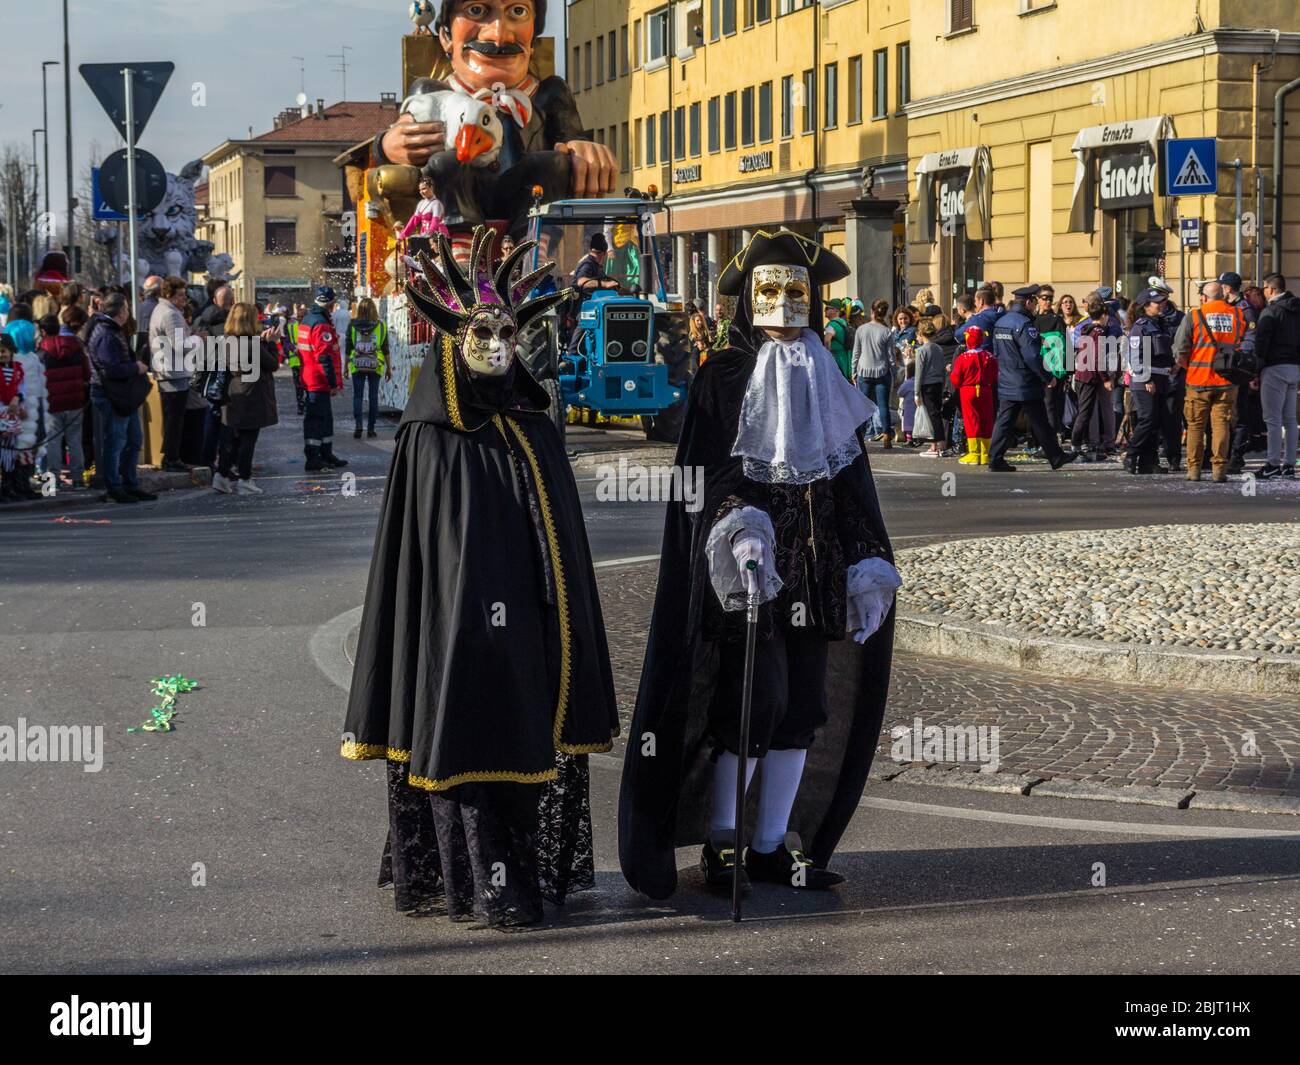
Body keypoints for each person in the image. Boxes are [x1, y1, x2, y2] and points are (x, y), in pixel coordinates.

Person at [343, 226, 617, 929]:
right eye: (481, 333)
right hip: (456, 637)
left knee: (527, 750)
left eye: (506, 334)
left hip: (529, 633)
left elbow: (561, 546)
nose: (496, 347)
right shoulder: (429, 440)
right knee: (464, 751)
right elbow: (422, 556)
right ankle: (486, 885)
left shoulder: (536, 429)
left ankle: (517, 875)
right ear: (450, 340)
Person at [618, 228, 899, 900]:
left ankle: (771, 846)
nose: (782, 303)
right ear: (747, 299)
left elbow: (849, 485)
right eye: (768, 290)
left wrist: (867, 559)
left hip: (816, 571)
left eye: (796, 289)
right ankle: (721, 843)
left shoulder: (827, 372)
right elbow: (707, 476)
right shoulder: (723, 375)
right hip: (748, 577)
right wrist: (736, 527)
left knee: (802, 705)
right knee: (753, 701)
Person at [987, 284, 1077, 472]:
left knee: (1005, 421)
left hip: (1007, 379)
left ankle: (995, 458)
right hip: (1025, 382)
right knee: (1040, 420)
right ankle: (1056, 456)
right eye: (1035, 302)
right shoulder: (1025, 325)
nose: (1036, 306)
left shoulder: (1002, 322)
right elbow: (1032, 356)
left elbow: (996, 351)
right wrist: (1047, 377)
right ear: (1028, 302)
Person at [1174, 281, 1247, 482]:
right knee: (1221, 425)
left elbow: (1180, 348)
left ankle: (1194, 469)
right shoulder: (1237, 314)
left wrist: (1188, 366)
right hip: (1227, 380)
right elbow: (1242, 342)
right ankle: (1219, 470)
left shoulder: (1195, 315)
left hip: (1198, 379)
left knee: (1196, 426)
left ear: (1204, 297)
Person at [87, 293, 156, 504]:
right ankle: (114, 486)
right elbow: (111, 369)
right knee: (116, 442)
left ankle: (130, 483)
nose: (128, 313)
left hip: (124, 395)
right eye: (126, 308)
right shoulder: (106, 333)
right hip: (111, 394)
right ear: (120, 311)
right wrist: (136, 367)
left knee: (134, 440)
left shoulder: (112, 330)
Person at [212, 304, 279, 496]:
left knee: (231, 438)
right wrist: (272, 342)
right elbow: (272, 364)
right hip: (252, 395)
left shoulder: (227, 341)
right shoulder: (251, 344)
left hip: (233, 393)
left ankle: (222, 475)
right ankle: (244, 479)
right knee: (248, 439)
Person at [1123, 288, 1179, 475]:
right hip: (1144, 380)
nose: (1162, 304)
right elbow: (1136, 355)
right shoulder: (1141, 326)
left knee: (1156, 422)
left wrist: (1173, 365)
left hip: (1162, 379)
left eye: (1163, 301)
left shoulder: (1161, 324)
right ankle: (1131, 455)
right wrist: (1146, 377)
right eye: (1157, 302)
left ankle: (1149, 461)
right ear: (1146, 306)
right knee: (1147, 419)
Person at [39, 305, 92, 490]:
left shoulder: (42, 351)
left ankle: (52, 484)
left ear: (43, 330)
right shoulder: (76, 345)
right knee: (74, 441)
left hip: (53, 403)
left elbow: (40, 379)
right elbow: (87, 373)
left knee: (53, 442)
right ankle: (78, 479)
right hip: (75, 402)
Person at [1253, 272, 1300, 479]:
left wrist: (1256, 370)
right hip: (1294, 368)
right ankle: (1289, 464)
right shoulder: (1297, 310)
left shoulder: (1270, 312)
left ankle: (1272, 462)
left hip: (1274, 368)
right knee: (1290, 419)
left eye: (1264, 289)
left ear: (1271, 289)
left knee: (1272, 420)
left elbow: (1261, 344)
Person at [298, 286, 348, 471]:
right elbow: (324, 356)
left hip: (311, 377)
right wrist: (332, 383)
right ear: (331, 303)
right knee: (317, 420)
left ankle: (325, 453)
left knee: (325, 418)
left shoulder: (308, 319)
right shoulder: (321, 324)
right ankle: (313, 457)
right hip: (318, 380)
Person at [148, 276, 193, 472]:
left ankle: (171, 456)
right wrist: (198, 339)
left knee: (172, 418)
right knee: (175, 419)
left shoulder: (161, 310)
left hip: (167, 369)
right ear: (169, 294)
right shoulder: (170, 314)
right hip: (173, 372)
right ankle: (172, 458)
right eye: (181, 295)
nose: (184, 299)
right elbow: (181, 345)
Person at [1070, 296, 1121, 462]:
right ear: (1104, 315)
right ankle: (1076, 446)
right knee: (1084, 414)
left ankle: (1078, 445)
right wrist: (1106, 379)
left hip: (1084, 376)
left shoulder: (1088, 328)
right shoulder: (1098, 333)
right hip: (1089, 377)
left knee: (1086, 412)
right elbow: (1098, 359)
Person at [950, 325, 998, 465]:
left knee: (972, 421)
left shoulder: (963, 357)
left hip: (968, 391)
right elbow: (995, 376)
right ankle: (985, 454)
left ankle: (974, 453)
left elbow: (956, 378)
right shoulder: (990, 357)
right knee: (986, 420)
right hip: (986, 390)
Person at [347, 298, 391, 439]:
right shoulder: (381, 326)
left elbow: (348, 347)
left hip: (357, 363)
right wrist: (389, 367)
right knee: (373, 397)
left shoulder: (352, 325)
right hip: (375, 363)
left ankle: (358, 425)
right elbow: (385, 348)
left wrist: (345, 366)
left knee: (358, 396)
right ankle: (371, 428)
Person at [853, 298, 895, 446]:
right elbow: (891, 356)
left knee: (863, 406)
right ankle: (886, 435)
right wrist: (894, 373)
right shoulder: (886, 332)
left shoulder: (861, 330)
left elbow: (856, 353)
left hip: (864, 371)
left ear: (871, 312)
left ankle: (861, 436)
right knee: (883, 405)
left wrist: (853, 370)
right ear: (884, 314)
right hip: (882, 372)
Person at [914, 318, 948, 456]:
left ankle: (935, 445)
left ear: (921, 333)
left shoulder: (921, 351)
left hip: (926, 385)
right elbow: (943, 368)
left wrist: (916, 393)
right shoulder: (938, 348)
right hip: (938, 383)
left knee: (930, 414)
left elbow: (919, 373)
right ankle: (940, 444)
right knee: (936, 413)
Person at [400, 174, 451, 240]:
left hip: (437, 235)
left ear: (431, 188)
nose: (421, 192)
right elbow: (413, 221)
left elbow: (435, 222)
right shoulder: (421, 203)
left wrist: (428, 235)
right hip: (424, 233)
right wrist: (404, 234)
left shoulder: (436, 204)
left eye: (424, 189)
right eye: (420, 190)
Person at [823, 298, 852, 379]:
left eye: (827, 308)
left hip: (836, 360)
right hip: (845, 359)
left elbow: (827, 340)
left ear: (836, 310)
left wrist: (826, 357)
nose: (825, 310)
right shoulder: (844, 322)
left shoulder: (832, 324)